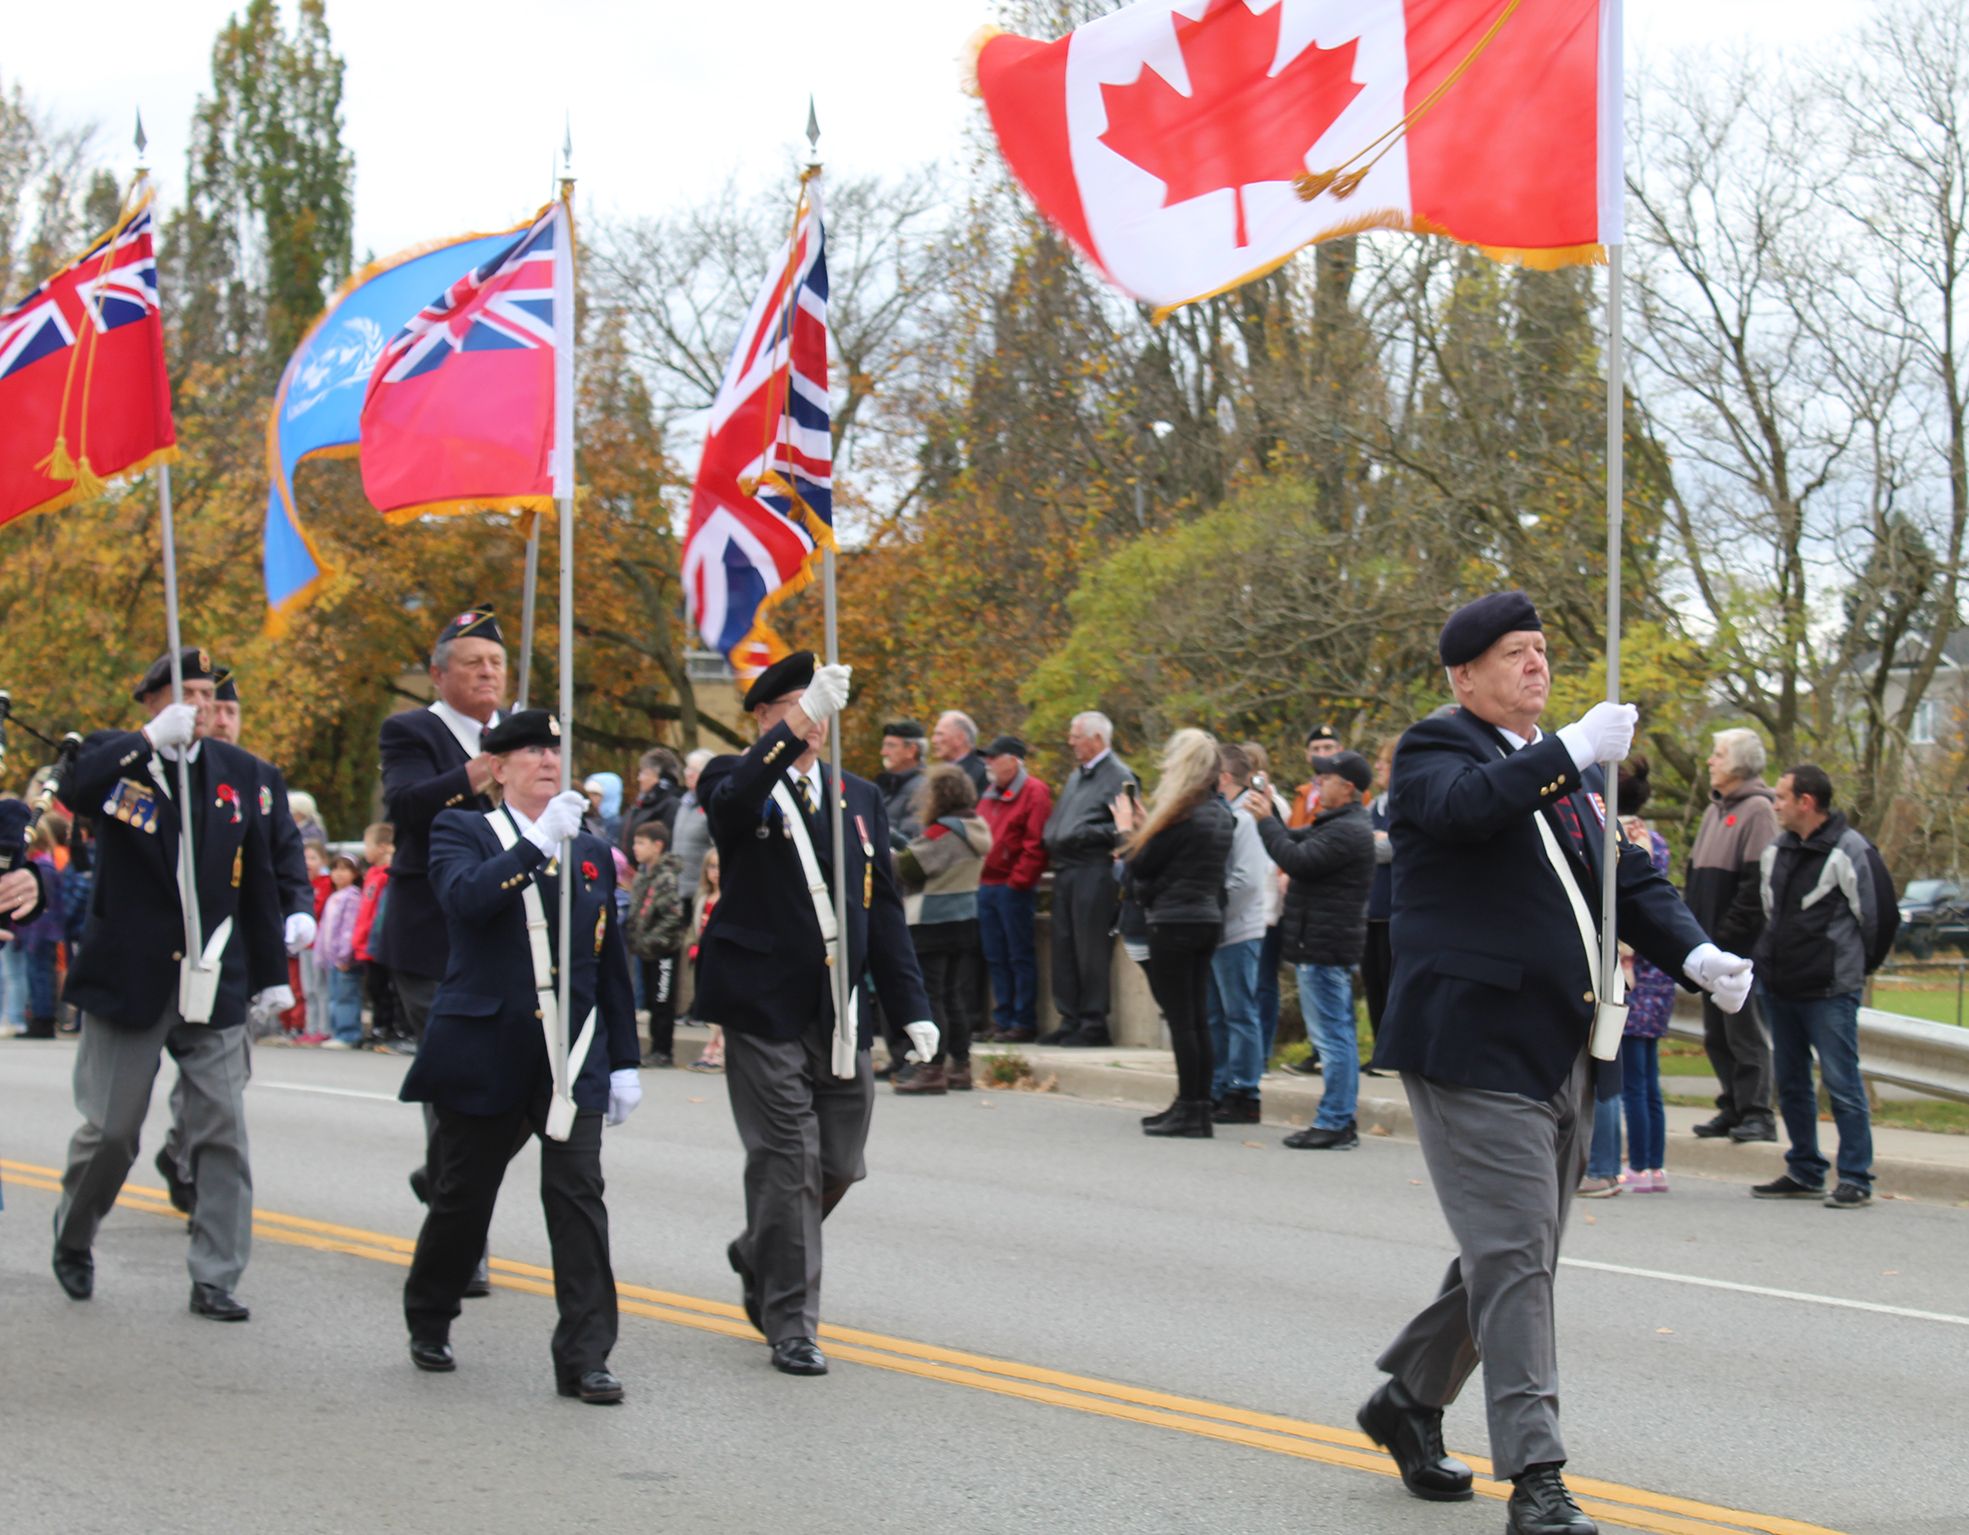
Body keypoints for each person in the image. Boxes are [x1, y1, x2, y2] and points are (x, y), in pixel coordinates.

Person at [1358, 593, 1752, 1535]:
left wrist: (1695, 955)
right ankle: (1536, 1478)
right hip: (1473, 1045)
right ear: (1463, 676)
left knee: (1515, 1255)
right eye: (1513, 653)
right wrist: (1570, 748)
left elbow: (1626, 879)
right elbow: (1463, 812)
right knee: (1516, 1260)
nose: (1536, 665)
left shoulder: (1566, 773)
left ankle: (1407, 1400)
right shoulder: (1438, 752)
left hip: (1566, 1043)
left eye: (1541, 651)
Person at [694, 651, 934, 1377]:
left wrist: (910, 1009)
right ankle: (791, 1323)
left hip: (841, 1009)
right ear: (764, 717)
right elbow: (735, 799)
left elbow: (883, 910)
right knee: (788, 1162)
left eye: (821, 706)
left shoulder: (858, 796)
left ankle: (757, 1247)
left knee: (837, 1161)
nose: (816, 720)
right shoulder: (735, 780)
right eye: (799, 706)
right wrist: (794, 723)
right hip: (763, 1001)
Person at [398, 709, 642, 1402]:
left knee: (577, 1199)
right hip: (486, 1046)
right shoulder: (462, 831)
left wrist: (622, 1059)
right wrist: (535, 843)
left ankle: (585, 1354)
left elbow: (607, 962)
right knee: (462, 1195)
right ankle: (430, 1312)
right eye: (531, 749)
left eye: (555, 749)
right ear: (496, 767)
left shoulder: (590, 848)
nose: (546, 759)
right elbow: (465, 900)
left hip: (569, 1054)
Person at [54, 648, 289, 1321]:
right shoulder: (116, 755)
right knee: (112, 1131)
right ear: (153, 700)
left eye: (210, 693)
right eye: (187, 691)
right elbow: (73, 791)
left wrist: (272, 975)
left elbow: (261, 878)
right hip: (130, 976)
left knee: (222, 1128)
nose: (203, 705)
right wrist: (148, 743)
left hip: (213, 976)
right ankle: (74, 1233)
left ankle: (216, 1273)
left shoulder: (242, 773)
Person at [1750, 765, 1896, 1210]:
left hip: (1830, 991)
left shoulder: (1852, 851)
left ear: (1806, 802)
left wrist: (1852, 970)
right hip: (1781, 988)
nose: (1774, 804)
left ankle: (1855, 1176)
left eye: (1781, 797)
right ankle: (1805, 1168)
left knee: (1841, 1082)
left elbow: (1880, 919)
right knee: (1791, 1083)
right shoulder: (1777, 850)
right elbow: (1770, 913)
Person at [377, 604, 506, 1050]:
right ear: (438, 673)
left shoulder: (523, 733)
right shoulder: (412, 731)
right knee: (454, 1068)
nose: (488, 672)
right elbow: (405, 806)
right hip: (434, 930)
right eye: (473, 663)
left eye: (496, 662)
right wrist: (476, 773)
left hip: (507, 929)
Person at [1111, 729, 1234, 1138]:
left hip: (1173, 922)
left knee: (1183, 1021)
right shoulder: (1218, 812)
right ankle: (1194, 1105)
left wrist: (1127, 829)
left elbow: (1139, 865)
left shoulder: (1181, 811)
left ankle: (1191, 1109)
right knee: (1197, 1018)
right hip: (1206, 919)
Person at [1250, 748, 1376, 1148]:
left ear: (1349, 788)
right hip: (1321, 944)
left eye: (1327, 779)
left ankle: (1336, 1121)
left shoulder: (1348, 830)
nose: (1319, 784)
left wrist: (1265, 821)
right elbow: (1291, 838)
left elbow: (1296, 858)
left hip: (1325, 947)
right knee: (1335, 1035)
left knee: (1333, 1038)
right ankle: (1339, 1119)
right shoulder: (1337, 823)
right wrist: (1271, 816)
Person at [1684, 727, 1780, 1142]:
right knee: (1716, 1033)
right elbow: (1696, 879)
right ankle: (1733, 1105)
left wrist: (1727, 938)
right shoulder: (1713, 810)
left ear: (1740, 763)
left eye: (1718, 754)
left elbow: (1756, 887)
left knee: (1745, 1033)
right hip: (1709, 946)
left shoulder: (1759, 810)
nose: (1710, 761)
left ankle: (1758, 1112)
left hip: (1737, 948)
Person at [892, 763, 992, 1094]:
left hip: (932, 920)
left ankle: (932, 1066)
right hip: (965, 919)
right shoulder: (975, 827)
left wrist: (887, 847)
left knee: (930, 996)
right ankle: (960, 1065)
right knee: (953, 995)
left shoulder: (943, 832)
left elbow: (909, 867)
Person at [1040, 711, 1136, 1047]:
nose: (1070, 742)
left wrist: (1084, 834)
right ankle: (1070, 1018)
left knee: (1090, 946)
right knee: (1065, 945)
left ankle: (1094, 1022)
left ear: (1096, 739)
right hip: (1066, 869)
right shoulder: (1077, 777)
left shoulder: (1119, 776)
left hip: (1094, 870)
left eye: (1076, 735)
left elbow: (1128, 826)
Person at [1616, 760, 1676, 1194]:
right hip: (1660, 971)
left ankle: (1638, 1163)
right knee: (1649, 1078)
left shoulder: (1613, 839)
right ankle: (1655, 1164)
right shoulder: (1656, 839)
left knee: (1633, 1080)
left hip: (1632, 971)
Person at [1206, 744, 1271, 1125]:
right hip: (1219, 929)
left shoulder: (1245, 818)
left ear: (1224, 777)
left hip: (1238, 929)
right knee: (1216, 1014)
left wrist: (1214, 911)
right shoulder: (1226, 813)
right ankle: (1219, 1085)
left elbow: (1247, 881)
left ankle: (1245, 1089)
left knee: (1240, 1013)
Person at [976, 734, 1051, 1043]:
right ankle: (1002, 1017)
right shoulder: (990, 794)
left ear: (1014, 760)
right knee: (995, 955)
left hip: (1012, 887)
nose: (989, 763)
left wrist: (1018, 881)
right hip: (987, 884)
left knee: (1018, 954)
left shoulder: (1034, 792)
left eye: (995, 757)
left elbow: (1035, 844)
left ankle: (1023, 1020)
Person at [1240, 742, 1292, 1065]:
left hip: (1268, 904)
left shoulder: (1278, 805)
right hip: (1243, 905)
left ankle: (1262, 1049)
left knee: (1263, 981)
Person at [624, 818, 690, 1067]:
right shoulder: (643, 876)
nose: (635, 848)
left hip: (663, 950)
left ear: (658, 846)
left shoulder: (666, 878)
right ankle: (654, 1047)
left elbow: (673, 916)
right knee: (652, 1000)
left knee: (663, 1000)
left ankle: (664, 1049)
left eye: (641, 843)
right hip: (646, 950)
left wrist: (651, 940)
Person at [1360, 735, 1400, 1052]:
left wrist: (1378, 841)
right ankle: (1377, 1051)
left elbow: (1396, 847)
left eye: (1384, 762)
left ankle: (1392, 1050)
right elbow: (1361, 844)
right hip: (1370, 910)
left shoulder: (1404, 802)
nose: (1378, 767)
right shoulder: (1374, 805)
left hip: (1394, 908)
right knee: (1372, 981)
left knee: (1392, 981)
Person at [352, 823, 400, 1049]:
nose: (365, 850)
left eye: (368, 845)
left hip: (379, 941)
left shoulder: (388, 875)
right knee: (373, 988)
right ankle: (378, 1027)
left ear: (382, 847)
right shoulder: (370, 874)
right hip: (365, 941)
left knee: (385, 989)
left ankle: (389, 1028)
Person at [316, 853, 365, 1049]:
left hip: (344, 959)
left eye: (344, 869)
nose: (338, 873)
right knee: (335, 996)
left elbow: (349, 928)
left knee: (346, 996)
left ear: (355, 873)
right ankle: (337, 1031)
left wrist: (345, 954)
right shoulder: (334, 897)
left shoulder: (352, 897)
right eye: (335, 868)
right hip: (331, 959)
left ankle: (348, 1033)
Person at [685, 846, 725, 1073]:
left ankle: (720, 1052)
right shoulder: (703, 897)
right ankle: (711, 1047)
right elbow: (694, 926)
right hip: (704, 956)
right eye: (711, 866)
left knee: (721, 1009)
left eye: (719, 866)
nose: (715, 872)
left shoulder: (728, 896)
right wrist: (693, 945)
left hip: (721, 960)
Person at [672, 748, 715, 899]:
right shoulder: (684, 804)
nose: (688, 773)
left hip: (701, 890)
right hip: (677, 888)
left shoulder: (712, 804)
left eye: (695, 770)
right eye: (688, 768)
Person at [621, 746, 682, 851]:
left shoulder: (670, 804)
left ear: (661, 778)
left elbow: (668, 843)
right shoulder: (640, 804)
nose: (639, 778)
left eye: (645, 773)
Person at [876, 720, 928, 840]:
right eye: (884, 745)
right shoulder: (887, 783)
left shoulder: (923, 788)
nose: (883, 752)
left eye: (891, 746)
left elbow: (910, 842)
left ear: (911, 750)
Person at [1288, 725, 1344, 827]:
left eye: (1328, 748)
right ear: (1307, 755)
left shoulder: (1351, 792)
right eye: (1315, 749)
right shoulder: (1301, 794)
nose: (1321, 755)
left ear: (1340, 751)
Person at [931, 709, 988, 794]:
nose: (933, 740)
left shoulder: (983, 774)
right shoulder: (938, 773)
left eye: (940, 734)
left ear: (960, 738)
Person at [583, 772, 625, 844]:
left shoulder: (615, 824)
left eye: (595, 794)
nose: (590, 798)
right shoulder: (584, 818)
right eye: (587, 793)